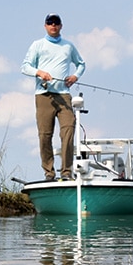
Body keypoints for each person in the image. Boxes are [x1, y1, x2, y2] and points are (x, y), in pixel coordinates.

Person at [21, 14, 86, 181]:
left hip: (64, 95)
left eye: (56, 23)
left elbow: (81, 64)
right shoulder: (38, 45)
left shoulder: (68, 46)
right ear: (45, 26)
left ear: (61, 26)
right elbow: (25, 66)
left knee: (68, 130)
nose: (53, 26)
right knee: (45, 135)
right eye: (50, 23)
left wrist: (75, 77)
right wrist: (39, 72)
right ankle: (49, 173)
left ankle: (66, 172)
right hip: (43, 95)